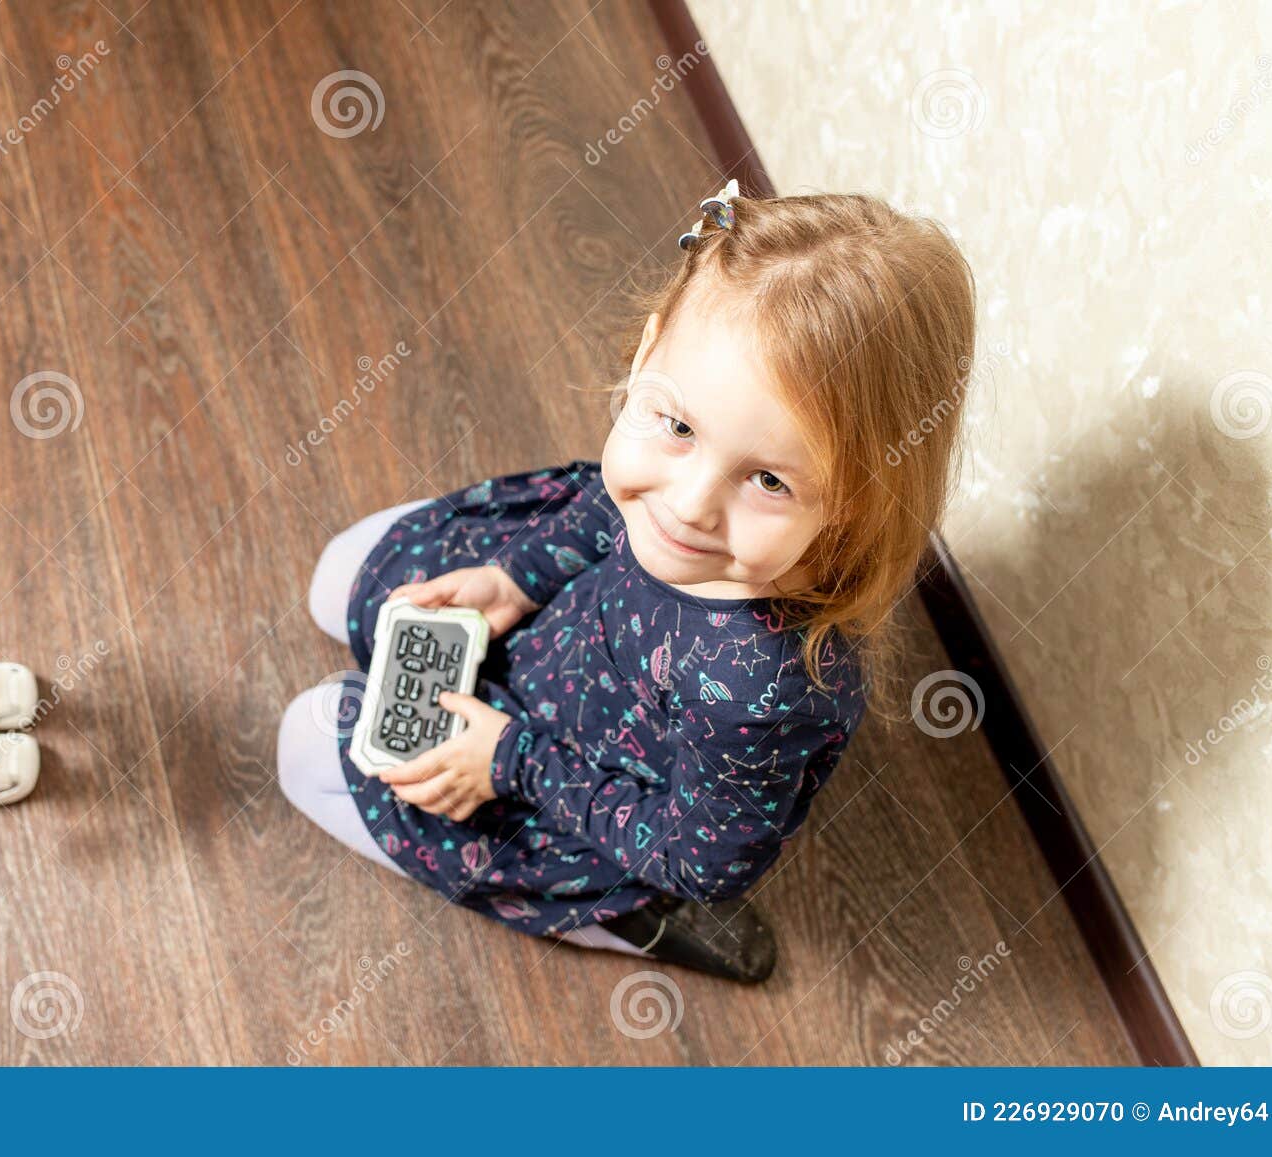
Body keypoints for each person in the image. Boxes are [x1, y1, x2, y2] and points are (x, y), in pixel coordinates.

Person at [279, 183, 977, 982]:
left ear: (857, 503)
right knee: (339, 578)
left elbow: (701, 857)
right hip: (565, 629)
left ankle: (626, 917)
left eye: (769, 482)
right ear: (650, 354)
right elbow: (604, 514)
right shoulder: (674, 489)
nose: (686, 505)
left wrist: (509, 761)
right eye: (678, 427)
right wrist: (513, 578)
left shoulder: (756, 687)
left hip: (576, 775)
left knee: (305, 741)